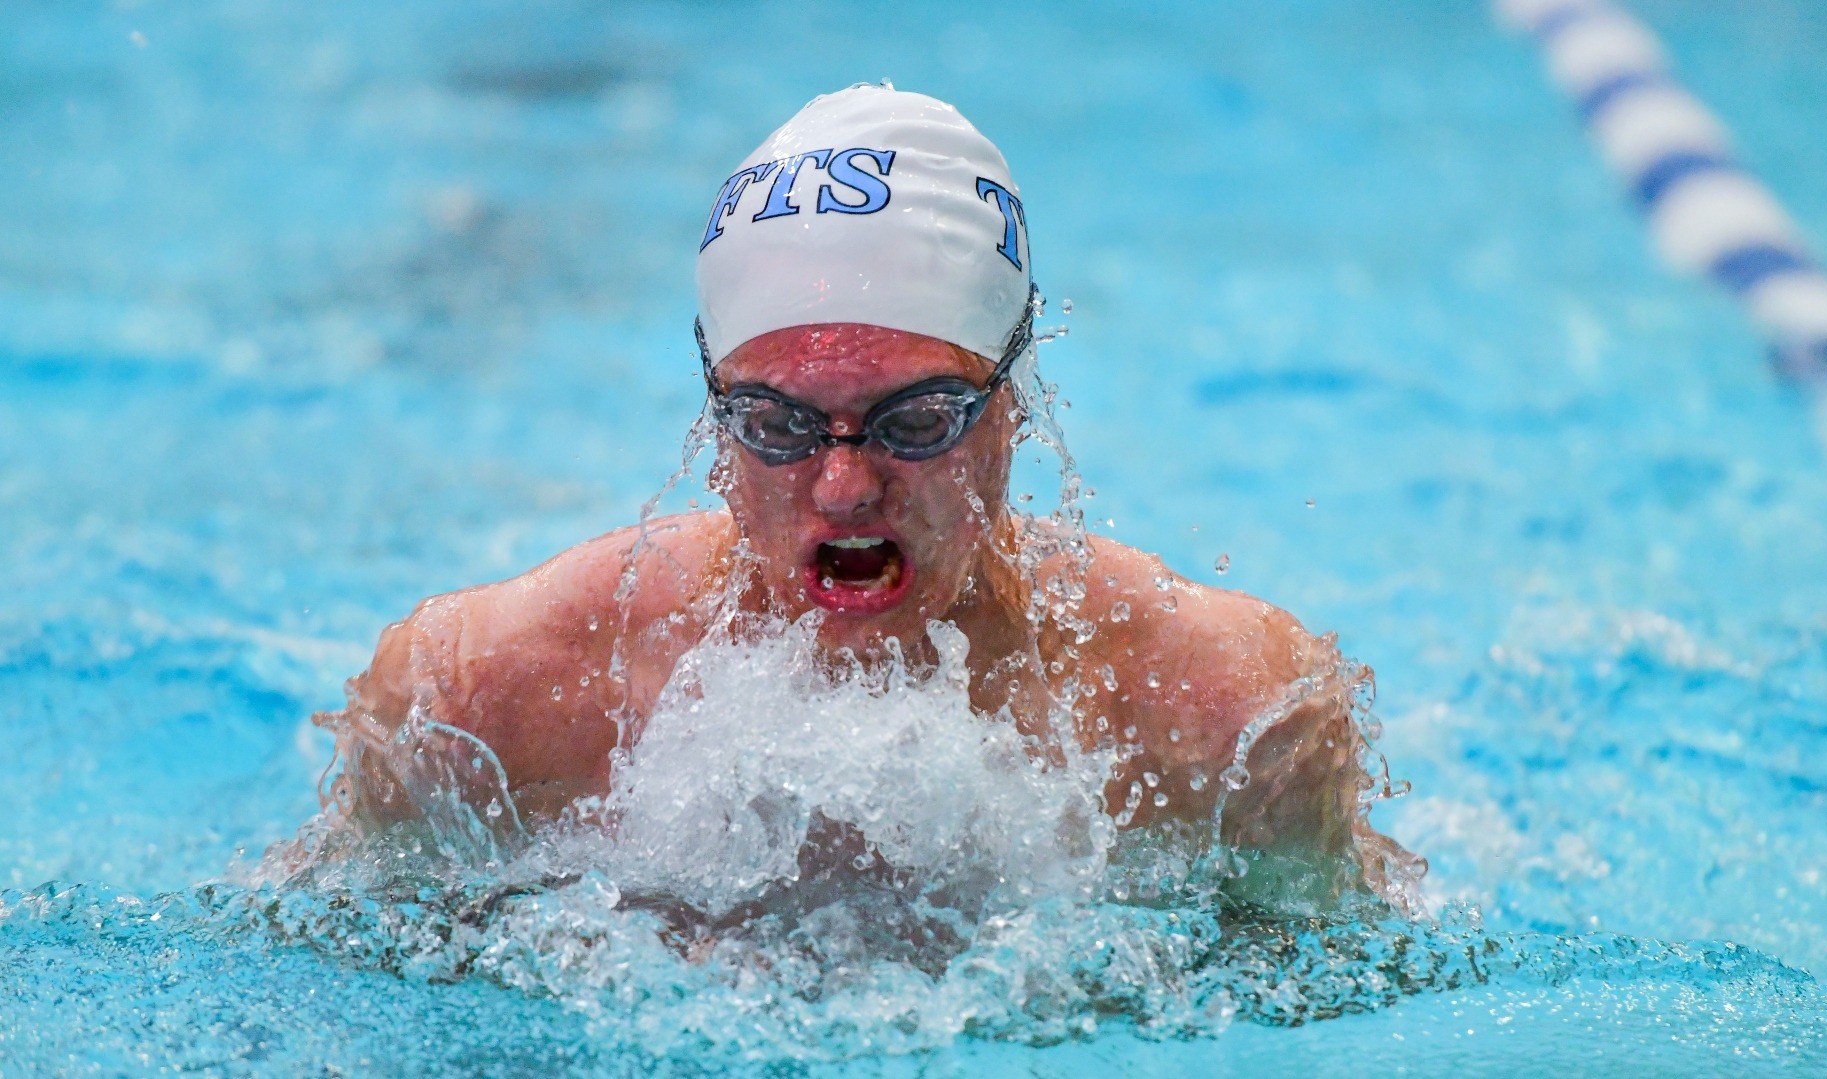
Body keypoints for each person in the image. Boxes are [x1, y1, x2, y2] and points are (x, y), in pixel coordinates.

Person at [313, 85, 1414, 904]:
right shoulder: (480, 704)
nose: (844, 485)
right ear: (714, 420)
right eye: (779, 424)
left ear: (1011, 410)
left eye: (919, 419)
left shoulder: (1228, 720)